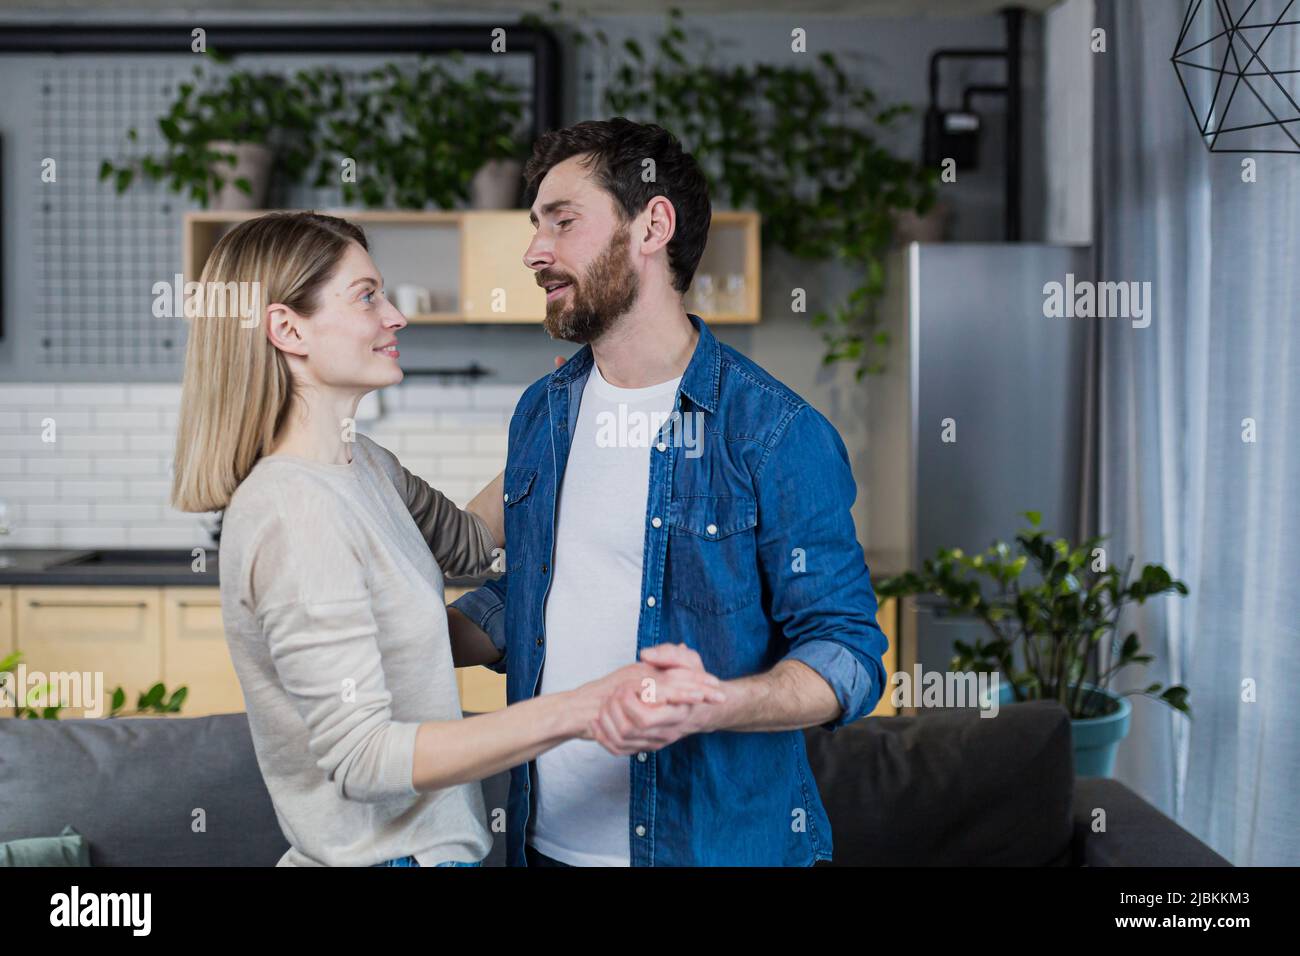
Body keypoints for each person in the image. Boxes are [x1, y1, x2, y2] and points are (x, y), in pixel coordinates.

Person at [170, 210, 724, 867]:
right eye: (368, 296)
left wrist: (570, 420)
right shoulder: (294, 516)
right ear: (288, 329)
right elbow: (365, 759)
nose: (395, 316)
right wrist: (582, 707)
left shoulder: (362, 464)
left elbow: (467, 543)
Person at [449, 118, 891, 867]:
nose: (534, 252)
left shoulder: (773, 433)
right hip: (541, 849)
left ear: (652, 225)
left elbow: (848, 653)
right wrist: (401, 642)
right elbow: (540, 595)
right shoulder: (542, 414)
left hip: (715, 852)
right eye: (534, 226)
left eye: (562, 222)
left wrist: (719, 703)